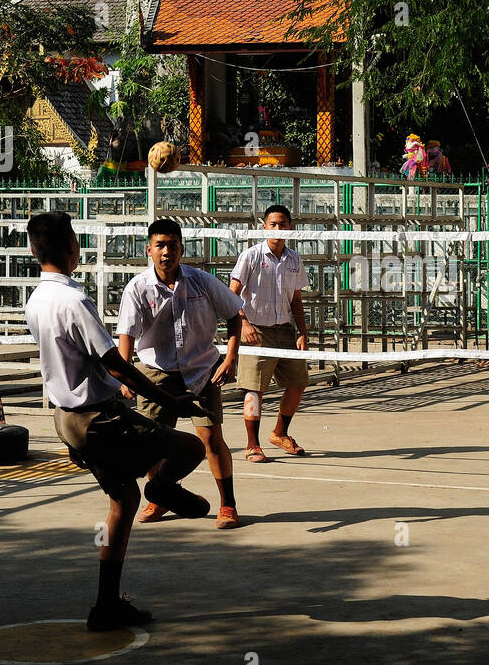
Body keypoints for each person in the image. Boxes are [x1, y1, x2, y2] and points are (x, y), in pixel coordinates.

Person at [24, 211, 211, 631]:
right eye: (75, 239)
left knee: (124, 503)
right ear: (72, 248)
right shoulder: (73, 300)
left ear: (34, 251)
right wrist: (171, 400)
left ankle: (106, 605)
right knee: (190, 447)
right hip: (98, 419)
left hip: (66, 417)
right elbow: (119, 366)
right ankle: (161, 487)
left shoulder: (37, 299)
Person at [116, 219, 246, 529]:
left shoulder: (201, 281)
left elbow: (234, 315)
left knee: (212, 438)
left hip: (202, 370)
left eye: (172, 246)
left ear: (181, 249)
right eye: (159, 245)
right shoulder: (138, 287)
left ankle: (228, 504)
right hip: (156, 374)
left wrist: (231, 358)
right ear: (148, 249)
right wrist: (125, 377)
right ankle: (161, 498)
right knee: (151, 443)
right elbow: (127, 335)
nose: (166, 252)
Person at [229, 204, 311, 462]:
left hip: (285, 330)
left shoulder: (294, 259)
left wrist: (302, 331)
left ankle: (279, 433)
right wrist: (244, 325)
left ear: (291, 228)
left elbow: (296, 300)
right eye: (273, 224)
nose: (278, 229)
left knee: (298, 383)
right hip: (256, 330)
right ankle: (252, 445)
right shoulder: (251, 256)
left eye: (283, 224)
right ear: (263, 227)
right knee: (254, 389)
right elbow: (230, 295)